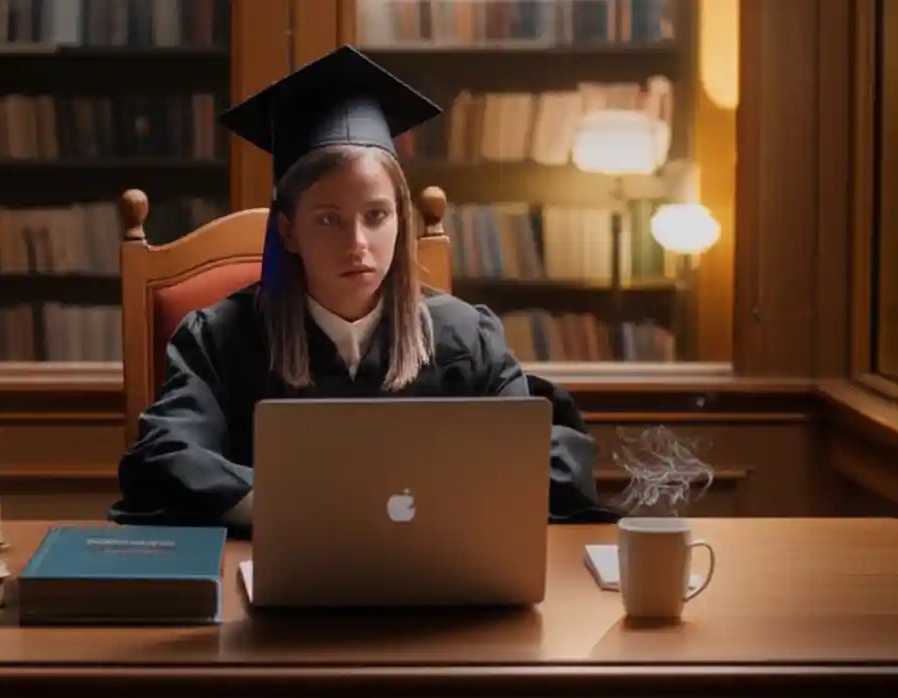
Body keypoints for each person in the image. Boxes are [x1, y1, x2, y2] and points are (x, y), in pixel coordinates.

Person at [110, 46, 618, 535]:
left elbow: (544, 452)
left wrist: (443, 507)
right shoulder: (221, 339)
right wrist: (291, 509)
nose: (358, 244)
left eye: (376, 216)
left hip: (437, 578)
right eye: (329, 219)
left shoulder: (465, 337)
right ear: (288, 231)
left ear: (402, 220)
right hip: (277, 585)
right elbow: (166, 454)